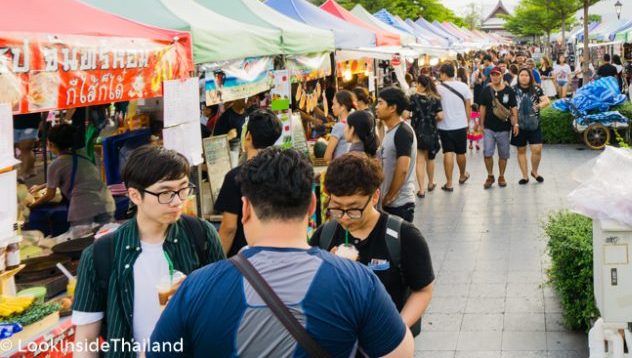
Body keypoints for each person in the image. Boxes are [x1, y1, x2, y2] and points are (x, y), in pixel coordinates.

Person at [148, 148, 414, 358]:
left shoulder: (197, 287)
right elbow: (400, 353)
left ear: (246, 208)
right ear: (312, 205)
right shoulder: (357, 281)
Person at [73, 146, 225, 358]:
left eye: (183, 189)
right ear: (135, 195)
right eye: (165, 193)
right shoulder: (100, 255)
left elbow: (223, 311)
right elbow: (85, 341)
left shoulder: (201, 236)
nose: (177, 201)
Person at [311, 153, 434, 337]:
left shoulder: (404, 236)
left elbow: (423, 290)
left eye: (354, 209)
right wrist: (327, 269)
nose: (344, 217)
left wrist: (395, 330)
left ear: (375, 197)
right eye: (336, 207)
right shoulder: (325, 236)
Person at [215, 109, 283, 258]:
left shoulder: (236, 177)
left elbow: (229, 228)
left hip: (243, 260)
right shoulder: (283, 172)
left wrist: (217, 263)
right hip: (279, 253)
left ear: (248, 137)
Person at [27, 123, 115, 230]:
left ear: (51, 145)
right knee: (105, 238)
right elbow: (70, 177)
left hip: (83, 208)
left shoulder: (56, 165)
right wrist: (41, 187)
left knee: (82, 242)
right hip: (106, 203)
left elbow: (50, 195)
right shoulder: (83, 156)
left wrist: (32, 205)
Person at [376, 88, 417, 223]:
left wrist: (389, 197)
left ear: (392, 107)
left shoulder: (402, 132)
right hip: (391, 204)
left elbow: (402, 169)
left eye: (381, 103)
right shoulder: (391, 131)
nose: (376, 107)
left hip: (399, 205)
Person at [476, 66, 518, 188]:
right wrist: (481, 124)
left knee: (503, 154)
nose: (495, 77)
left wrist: (515, 124)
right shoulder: (486, 91)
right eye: (493, 75)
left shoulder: (509, 91)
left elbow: (514, 108)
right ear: (490, 76)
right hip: (489, 127)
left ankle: (501, 175)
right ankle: (490, 175)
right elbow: (482, 108)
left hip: (504, 128)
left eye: (497, 74)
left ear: (502, 75)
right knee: (487, 153)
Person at [437, 62, 472, 190]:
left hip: (444, 126)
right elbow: (468, 107)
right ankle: (462, 175)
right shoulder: (464, 86)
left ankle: (449, 183)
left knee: (448, 152)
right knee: (461, 152)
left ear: (444, 74)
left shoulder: (438, 88)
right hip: (460, 125)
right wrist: (467, 122)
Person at [512, 67, 550, 185]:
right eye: (521, 75)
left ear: (530, 77)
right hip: (519, 125)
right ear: (518, 77)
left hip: (534, 124)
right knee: (521, 150)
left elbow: (546, 101)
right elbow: (510, 108)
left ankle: (534, 171)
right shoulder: (512, 90)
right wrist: (514, 123)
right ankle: (525, 176)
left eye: (526, 75)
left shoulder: (537, 89)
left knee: (537, 149)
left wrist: (538, 106)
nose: (524, 77)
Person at [409, 75, 443, 198]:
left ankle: (421, 189)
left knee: (420, 161)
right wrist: (430, 118)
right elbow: (441, 116)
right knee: (431, 158)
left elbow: (406, 114)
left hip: (417, 132)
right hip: (431, 132)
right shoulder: (435, 98)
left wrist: (416, 116)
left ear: (419, 84)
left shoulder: (413, 98)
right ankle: (430, 183)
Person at [212, 98, 250, 166]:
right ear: (238, 98)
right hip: (230, 160)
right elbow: (214, 143)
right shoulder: (226, 117)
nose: (251, 101)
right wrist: (228, 137)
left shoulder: (247, 114)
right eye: (248, 98)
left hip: (242, 157)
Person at [322, 90, 356, 163]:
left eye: (334, 104)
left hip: (340, 167)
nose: (332, 107)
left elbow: (327, 156)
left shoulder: (339, 126)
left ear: (342, 107)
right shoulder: (355, 122)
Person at [13, 112, 41, 182]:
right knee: (24, 149)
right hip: (15, 123)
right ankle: (31, 169)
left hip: (31, 123)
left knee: (25, 149)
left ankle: (22, 174)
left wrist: (42, 121)